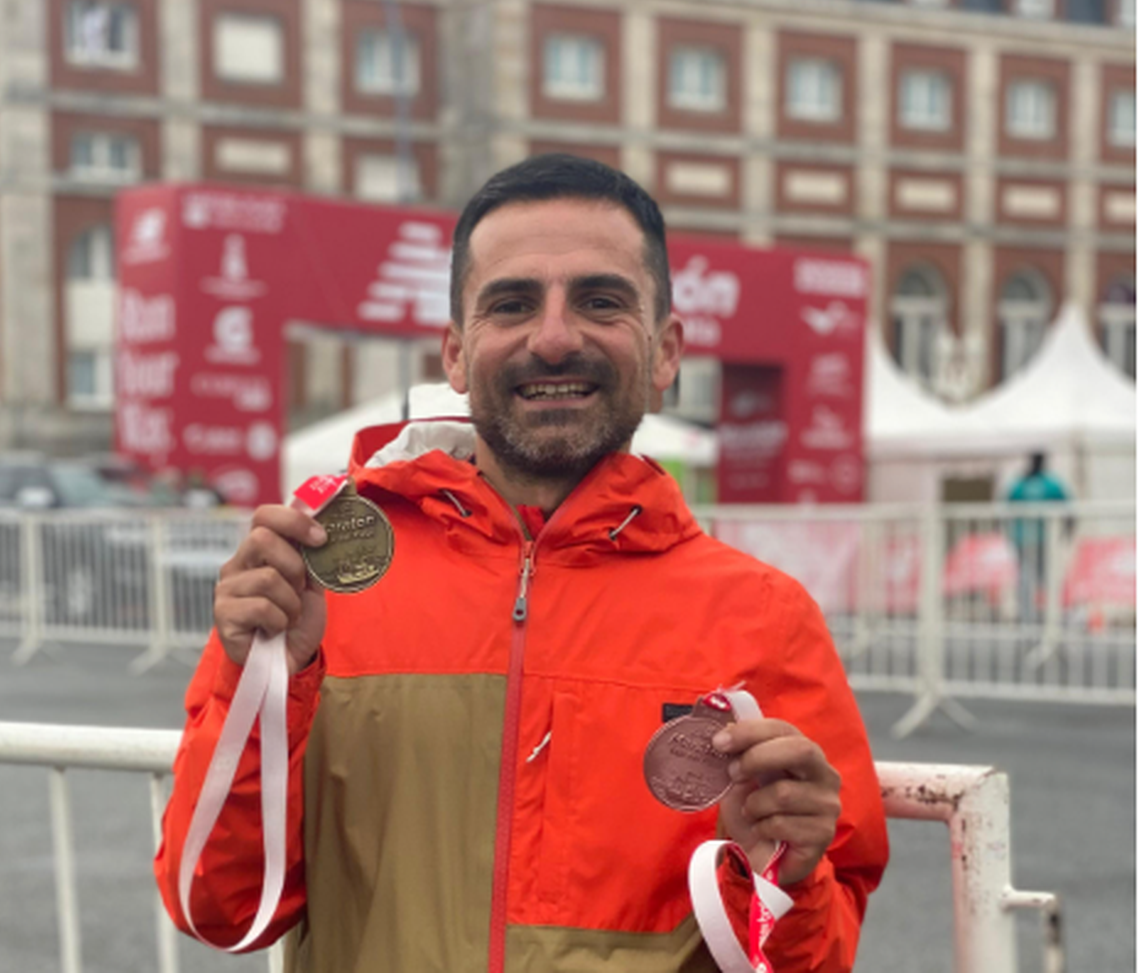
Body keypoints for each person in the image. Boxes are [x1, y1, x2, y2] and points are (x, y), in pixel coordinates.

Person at [155, 154, 888, 972]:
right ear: (456, 353)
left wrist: (783, 882)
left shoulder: (765, 618)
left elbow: (817, 957)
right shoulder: (319, 586)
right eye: (512, 304)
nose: (554, 337)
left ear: (665, 351)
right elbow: (215, 907)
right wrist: (259, 685)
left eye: (600, 300)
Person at [1006, 452, 1071, 622]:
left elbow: (1007, 506)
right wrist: (1067, 531)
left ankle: (1035, 616)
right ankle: (1038, 616)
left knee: (1030, 578)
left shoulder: (1022, 483)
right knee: (1037, 578)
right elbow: (1068, 509)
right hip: (1035, 540)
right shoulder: (1047, 484)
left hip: (1032, 540)